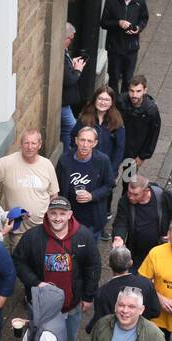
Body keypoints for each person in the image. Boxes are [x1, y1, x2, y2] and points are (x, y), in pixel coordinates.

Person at [13, 196, 101, 341]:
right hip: (40, 307)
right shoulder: (33, 237)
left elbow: (94, 266)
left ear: (70, 215)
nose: (57, 218)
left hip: (71, 306)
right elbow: (18, 261)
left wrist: (89, 296)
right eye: (53, 213)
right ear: (47, 213)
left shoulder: (83, 236)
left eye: (62, 213)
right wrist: (36, 282)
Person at [0, 129, 61, 242]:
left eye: (33, 143)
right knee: (20, 259)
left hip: (43, 229)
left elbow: (54, 195)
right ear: (21, 144)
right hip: (18, 231)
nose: (30, 147)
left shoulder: (47, 165)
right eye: (26, 143)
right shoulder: (7, 163)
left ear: (39, 145)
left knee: (40, 259)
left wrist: (51, 220)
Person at [112, 173, 172, 270]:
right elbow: (121, 222)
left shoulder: (163, 196)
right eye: (129, 193)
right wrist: (118, 237)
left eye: (135, 194)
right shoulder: (125, 201)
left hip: (161, 251)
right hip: (137, 254)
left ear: (146, 191)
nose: (131, 197)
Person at [56, 125, 113, 236]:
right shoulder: (64, 159)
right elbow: (56, 186)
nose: (85, 145)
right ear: (76, 140)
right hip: (69, 217)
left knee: (89, 250)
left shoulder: (102, 161)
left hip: (92, 218)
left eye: (89, 141)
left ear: (95, 143)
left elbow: (109, 185)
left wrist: (92, 196)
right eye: (82, 140)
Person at [92, 246, 160, 333]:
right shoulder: (146, 284)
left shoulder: (102, 292)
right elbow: (156, 311)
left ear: (109, 264)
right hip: (142, 333)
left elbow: (100, 322)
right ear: (131, 263)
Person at [72, 87, 126, 184]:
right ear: (95, 99)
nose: (103, 102)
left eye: (107, 100)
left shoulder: (116, 121)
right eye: (100, 98)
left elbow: (119, 149)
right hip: (85, 167)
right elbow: (74, 138)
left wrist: (112, 171)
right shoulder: (84, 118)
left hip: (105, 168)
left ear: (111, 102)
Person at [101, 0, 149, 95]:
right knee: (114, 77)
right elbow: (104, 23)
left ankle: (124, 104)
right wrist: (118, 23)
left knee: (128, 79)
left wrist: (139, 28)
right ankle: (113, 104)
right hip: (114, 48)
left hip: (132, 48)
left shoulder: (140, 2)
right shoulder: (111, 2)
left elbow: (144, 18)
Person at [118, 76, 161, 173]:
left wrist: (142, 156)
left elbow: (153, 135)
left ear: (145, 90)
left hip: (134, 150)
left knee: (128, 179)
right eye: (131, 91)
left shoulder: (151, 110)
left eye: (138, 91)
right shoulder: (121, 101)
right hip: (118, 144)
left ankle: (126, 189)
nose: (134, 95)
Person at [61, 23, 87, 151]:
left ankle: (66, 150)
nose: (72, 41)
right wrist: (77, 70)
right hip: (62, 104)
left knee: (67, 129)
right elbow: (68, 80)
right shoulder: (60, 53)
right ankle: (67, 152)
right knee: (72, 127)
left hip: (66, 102)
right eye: (71, 38)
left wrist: (72, 64)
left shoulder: (64, 52)